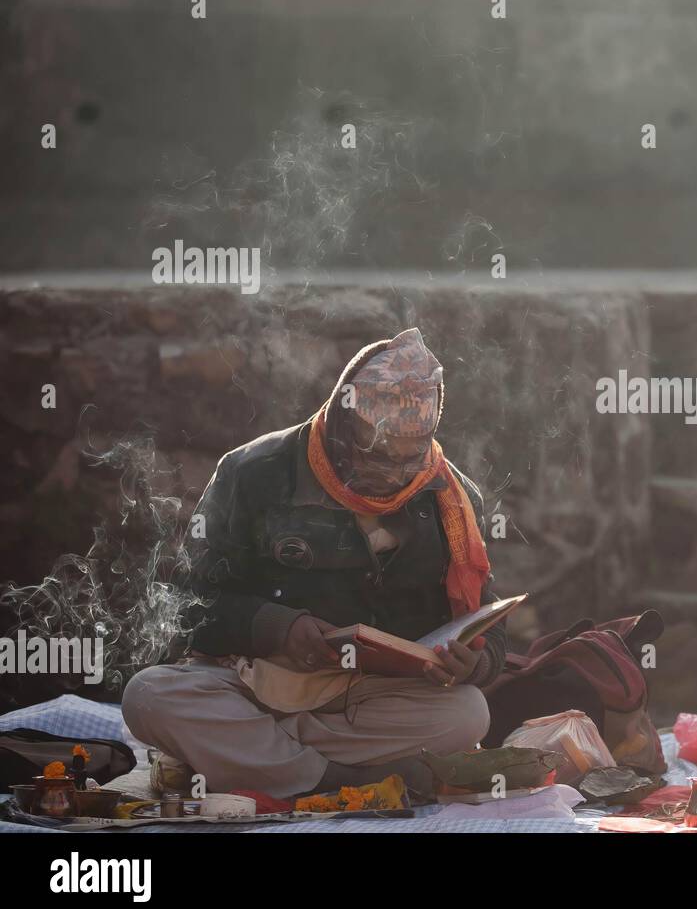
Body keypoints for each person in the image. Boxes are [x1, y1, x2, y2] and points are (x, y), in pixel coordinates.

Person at [122, 328, 502, 800]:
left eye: (408, 462)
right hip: (256, 685)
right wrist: (278, 627)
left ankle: (262, 762)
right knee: (149, 697)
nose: (392, 476)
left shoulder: (450, 498)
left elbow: (484, 620)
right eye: (377, 457)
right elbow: (188, 606)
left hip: (365, 700)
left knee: (468, 713)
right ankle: (339, 781)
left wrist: (476, 662)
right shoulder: (253, 472)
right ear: (342, 426)